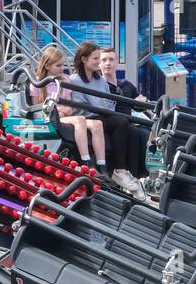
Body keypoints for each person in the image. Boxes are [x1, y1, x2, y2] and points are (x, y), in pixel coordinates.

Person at [99, 46, 150, 199]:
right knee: (133, 132)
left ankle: (140, 176)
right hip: (113, 125)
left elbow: (139, 103)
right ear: (99, 64)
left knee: (146, 132)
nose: (107, 63)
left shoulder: (126, 85)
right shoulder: (99, 85)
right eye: (104, 60)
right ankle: (128, 175)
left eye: (111, 60)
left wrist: (142, 100)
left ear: (117, 63)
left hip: (129, 122)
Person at [55, 41, 110, 176]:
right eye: (58, 65)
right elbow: (39, 105)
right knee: (80, 120)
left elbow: (69, 106)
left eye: (63, 65)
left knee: (98, 124)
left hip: (68, 114)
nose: (62, 68)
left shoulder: (66, 81)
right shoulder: (51, 82)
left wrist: (64, 110)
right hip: (58, 115)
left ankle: (101, 165)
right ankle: (85, 161)